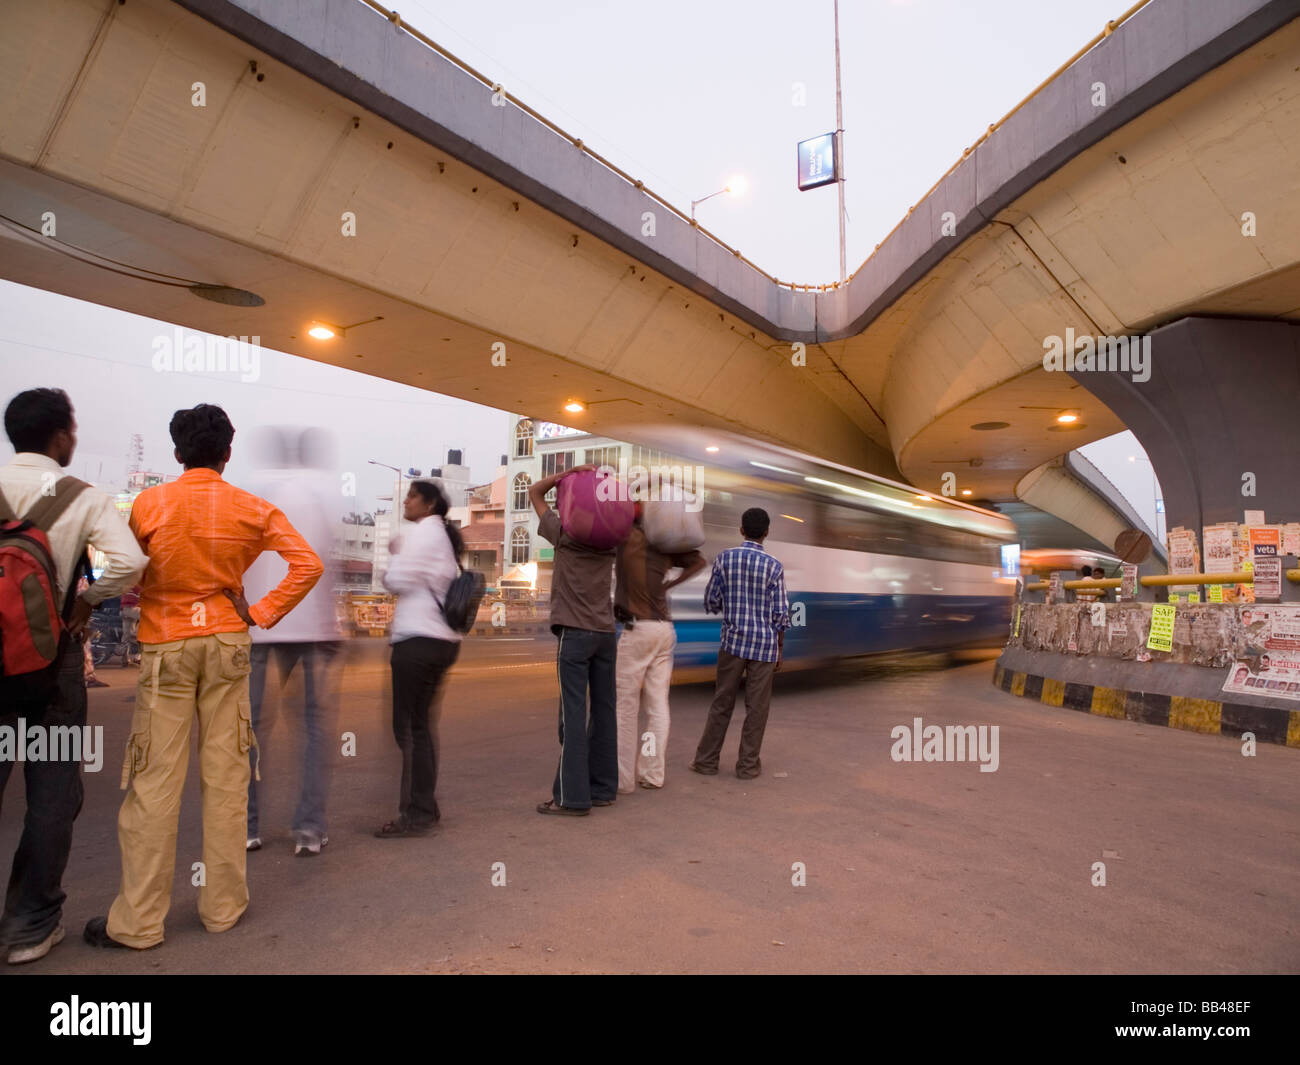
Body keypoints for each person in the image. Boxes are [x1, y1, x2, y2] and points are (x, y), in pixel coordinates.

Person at [84, 404, 322, 951]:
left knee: (153, 784)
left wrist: (99, 598)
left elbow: (121, 566)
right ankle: (222, 908)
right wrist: (259, 613)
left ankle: (139, 923)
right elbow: (307, 564)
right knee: (227, 778)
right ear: (227, 453)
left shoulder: (149, 503)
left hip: (166, 646)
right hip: (226, 644)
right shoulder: (251, 506)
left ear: (176, 452)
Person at [0, 388, 147, 965]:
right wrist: (89, 602)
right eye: (74, 429)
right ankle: (29, 926)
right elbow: (132, 561)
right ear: (60, 436)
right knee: (53, 792)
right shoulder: (82, 497)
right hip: (49, 661)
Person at [242, 427, 344, 857]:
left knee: (248, 731)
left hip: (259, 626)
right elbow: (325, 564)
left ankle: (244, 827)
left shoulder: (253, 491)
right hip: (311, 631)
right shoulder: (324, 492)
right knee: (314, 733)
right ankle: (308, 829)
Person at [374, 479, 463, 838]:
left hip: (418, 641)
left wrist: (394, 559)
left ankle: (417, 812)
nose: (406, 501)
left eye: (412, 496)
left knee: (410, 729)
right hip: (440, 640)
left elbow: (396, 580)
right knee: (421, 726)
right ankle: (425, 805)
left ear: (428, 505)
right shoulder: (439, 534)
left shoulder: (425, 534)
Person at [529, 463, 619, 815]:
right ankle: (603, 789)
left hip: (575, 633)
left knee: (573, 713)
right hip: (605, 633)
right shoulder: (611, 540)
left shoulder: (563, 533)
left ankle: (572, 797)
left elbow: (534, 492)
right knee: (605, 711)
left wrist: (566, 476)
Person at [690, 507, 790, 779]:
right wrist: (779, 648)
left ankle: (706, 762)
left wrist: (732, 604)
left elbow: (711, 601)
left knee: (722, 702)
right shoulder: (774, 566)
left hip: (732, 643)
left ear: (741, 529)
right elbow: (780, 614)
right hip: (764, 647)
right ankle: (747, 766)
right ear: (766, 533)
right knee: (757, 709)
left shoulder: (725, 559)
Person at [613, 503, 706, 792]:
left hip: (637, 628)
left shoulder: (626, 538)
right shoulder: (665, 543)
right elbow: (699, 561)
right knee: (657, 706)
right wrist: (670, 585)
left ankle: (623, 779)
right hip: (664, 629)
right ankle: (652, 774)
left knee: (626, 707)